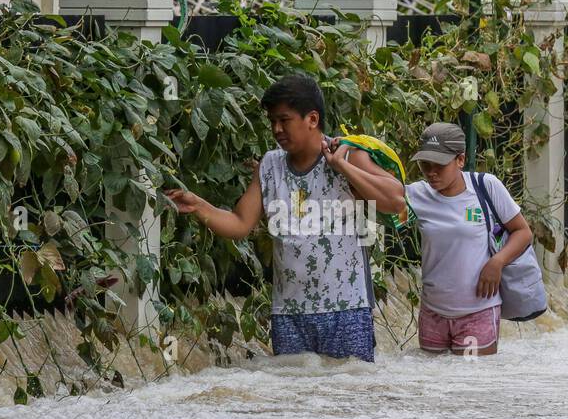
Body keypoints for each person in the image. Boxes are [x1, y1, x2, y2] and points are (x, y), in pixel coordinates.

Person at [164, 74, 405, 362]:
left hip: (347, 309)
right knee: (292, 399)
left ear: (312, 119)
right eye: (272, 122)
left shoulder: (347, 154)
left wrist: (341, 166)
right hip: (289, 313)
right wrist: (199, 206)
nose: (276, 129)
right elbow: (240, 223)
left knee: (347, 398)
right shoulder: (269, 166)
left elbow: (395, 201)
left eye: (284, 120)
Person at [405, 122, 535, 356]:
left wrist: (497, 262)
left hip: (479, 312)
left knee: (471, 386)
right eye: (426, 164)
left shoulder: (486, 187)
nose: (431, 171)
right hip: (432, 313)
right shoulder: (416, 195)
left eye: (440, 165)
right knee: (430, 385)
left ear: (460, 160)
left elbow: (523, 232)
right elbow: (376, 198)